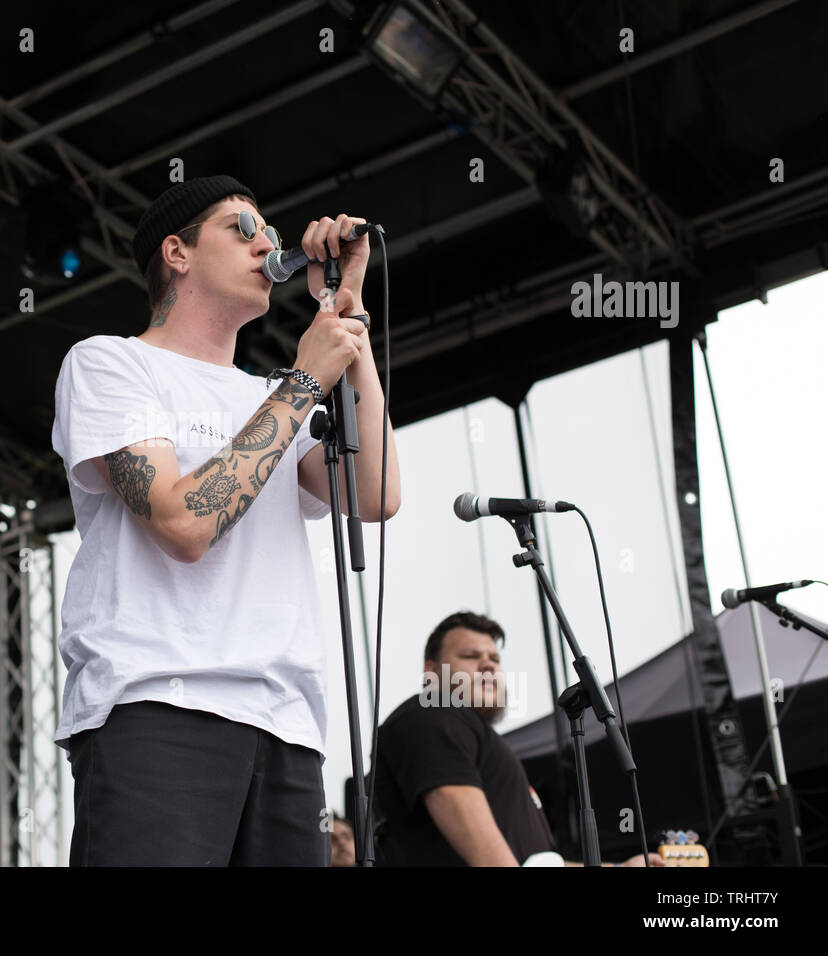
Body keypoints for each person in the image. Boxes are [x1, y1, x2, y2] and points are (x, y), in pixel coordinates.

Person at [50, 175, 400, 865]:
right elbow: (184, 525)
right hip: (156, 708)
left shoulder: (273, 395)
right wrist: (304, 382)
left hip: (286, 725)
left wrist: (347, 318)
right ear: (176, 253)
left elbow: (377, 494)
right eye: (242, 228)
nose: (267, 242)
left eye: (268, 230)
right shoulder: (111, 363)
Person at [372, 611, 663, 867]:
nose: (488, 665)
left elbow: (536, 863)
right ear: (431, 671)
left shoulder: (479, 741)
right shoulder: (429, 714)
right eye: (470, 656)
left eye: (494, 659)